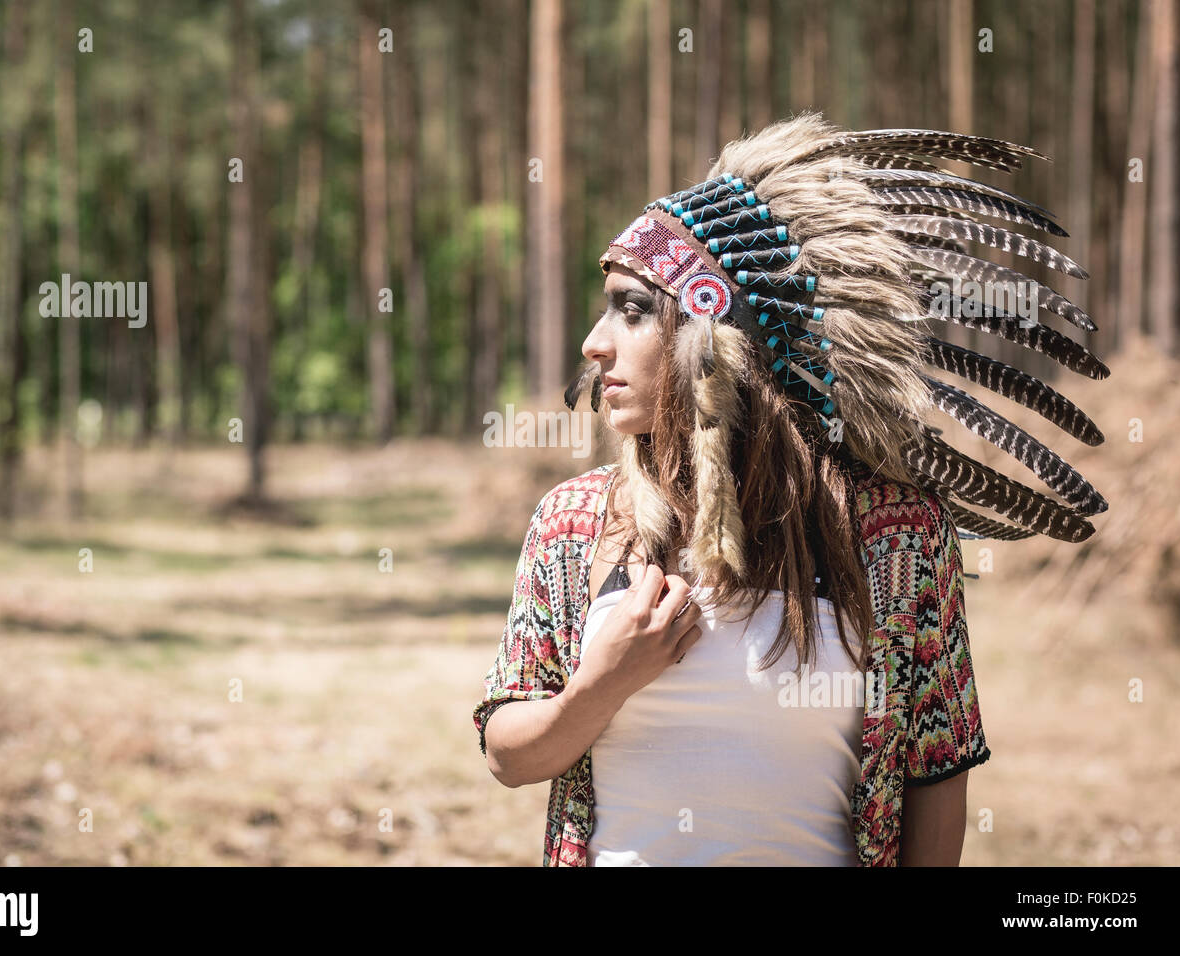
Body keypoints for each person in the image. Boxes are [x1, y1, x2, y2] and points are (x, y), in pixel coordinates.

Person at [472, 112, 1110, 866]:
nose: (594, 342)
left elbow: (935, 768)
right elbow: (508, 756)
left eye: (633, 309)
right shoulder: (575, 521)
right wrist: (600, 686)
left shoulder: (895, 534)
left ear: (715, 338)